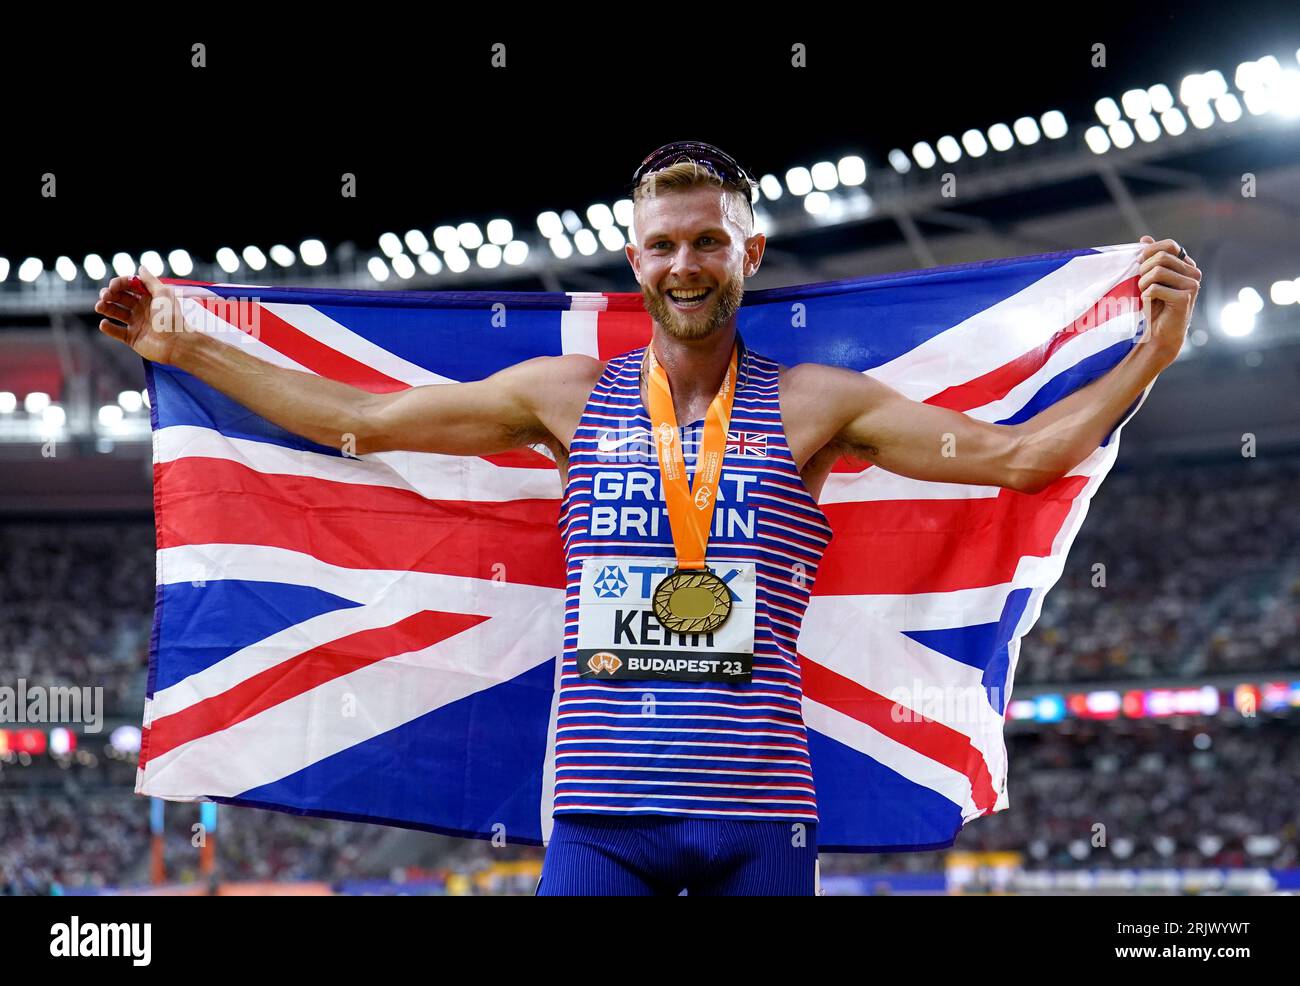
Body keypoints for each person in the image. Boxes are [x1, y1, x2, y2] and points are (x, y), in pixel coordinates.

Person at [95, 141, 1201, 895]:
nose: (685, 263)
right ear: (635, 260)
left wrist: (1152, 350)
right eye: (664, 245)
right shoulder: (562, 395)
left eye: (707, 241)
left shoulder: (819, 405)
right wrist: (184, 342)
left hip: (763, 809)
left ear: (746, 255)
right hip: (599, 811)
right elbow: (356, 420)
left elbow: (1018, 458)